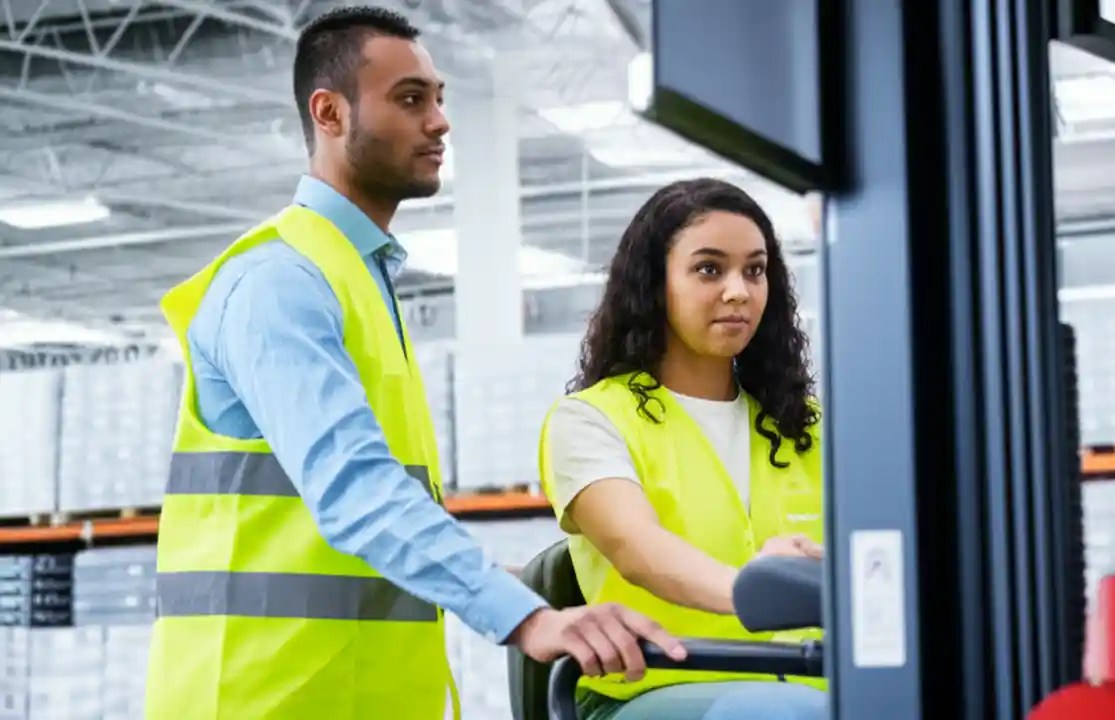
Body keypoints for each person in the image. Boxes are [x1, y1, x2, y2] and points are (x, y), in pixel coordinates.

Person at [143, 6, 683, 719]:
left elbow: (360, 538)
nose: (440, 121)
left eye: (440, 98)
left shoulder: (358, 279)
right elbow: (357, 490)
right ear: (329, 113)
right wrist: (526, 619)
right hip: (264, 700)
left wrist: (535, 583)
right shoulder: (279, 283)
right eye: (410, 99)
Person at [538, 178, 827, 720]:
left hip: (810, 684)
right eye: (709, 269)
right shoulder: (591, 420)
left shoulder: (807, 424)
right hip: (653, 687)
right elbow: (637, 548)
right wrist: (758, 591)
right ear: (653, 285)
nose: (739, 291)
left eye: (756, 270)